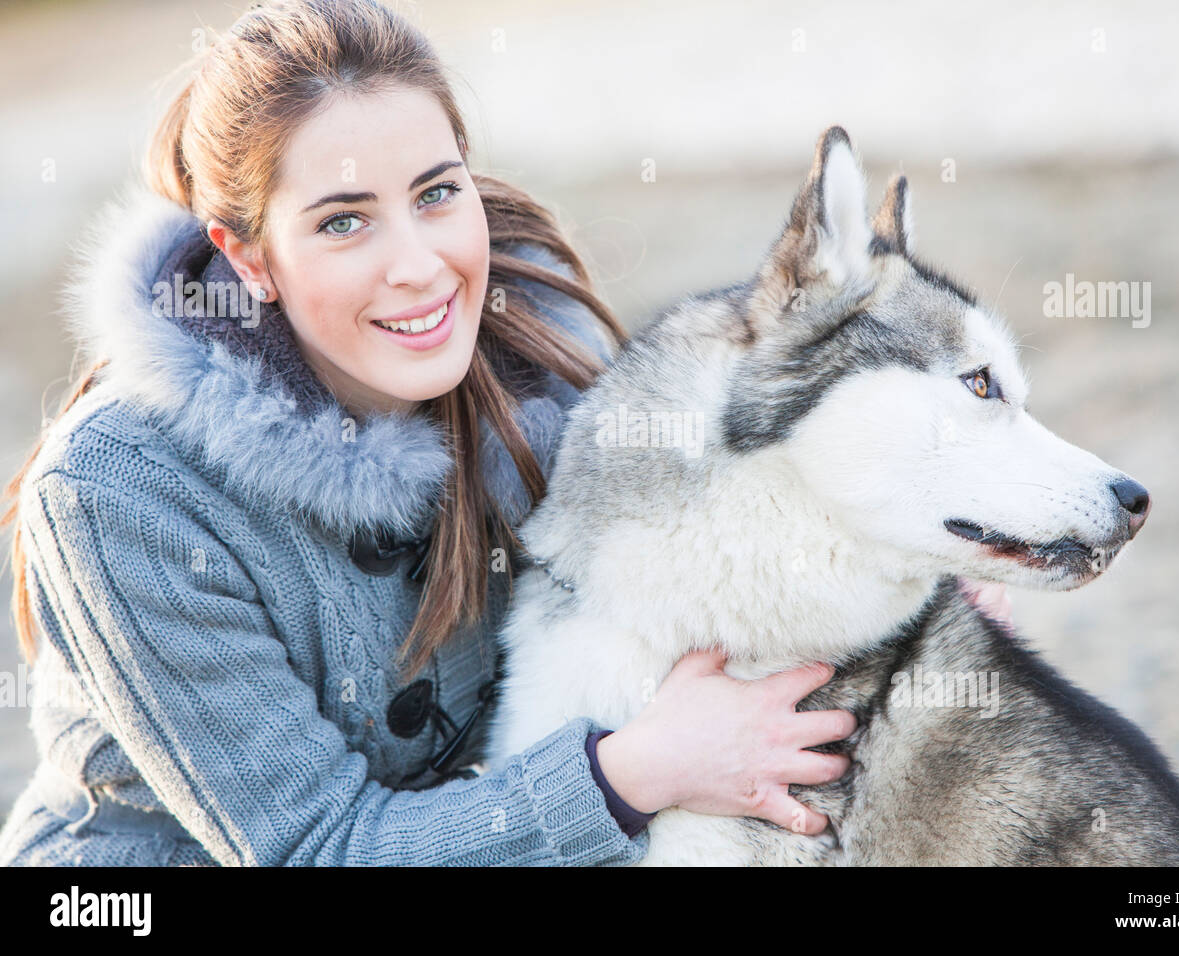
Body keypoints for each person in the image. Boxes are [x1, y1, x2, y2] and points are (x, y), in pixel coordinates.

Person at [0, 0, 862, 866]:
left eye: (436, 194)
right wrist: (630, 776)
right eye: (344, 221)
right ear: (248, 259)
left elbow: (708, 540)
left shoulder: (545, 362)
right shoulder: (119, 495)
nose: (418, 267)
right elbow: (316, 849)